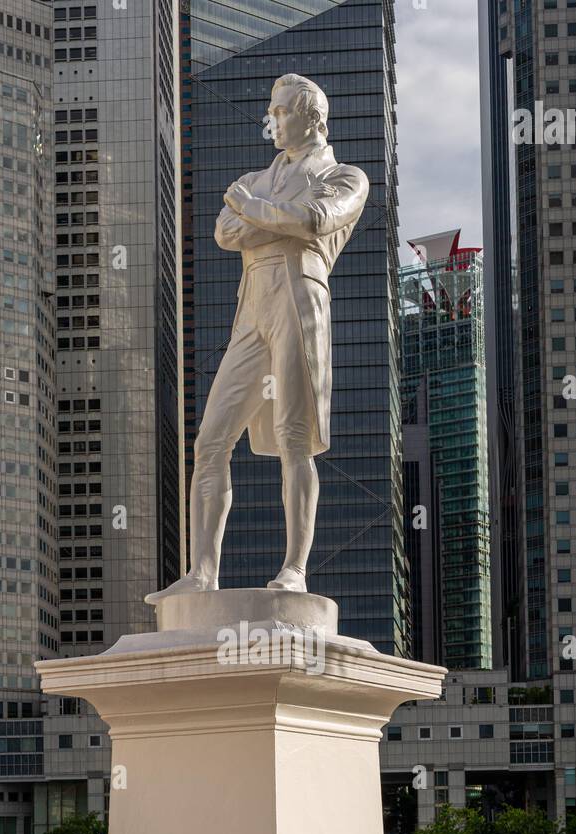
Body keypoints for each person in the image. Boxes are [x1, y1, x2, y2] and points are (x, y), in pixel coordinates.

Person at [146, 74, 369, 601]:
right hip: (252, 307)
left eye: (281, 111)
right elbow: (227, 233)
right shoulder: (257, 178)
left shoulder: (344, 176)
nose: (271, 120)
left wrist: (255, 209)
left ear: (311, 117)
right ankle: (202, 574)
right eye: (271, 110)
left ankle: (295, 567)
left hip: (299, 297)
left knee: (295, 437)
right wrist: (271, 217)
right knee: (210, 440)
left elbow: (315, 220)